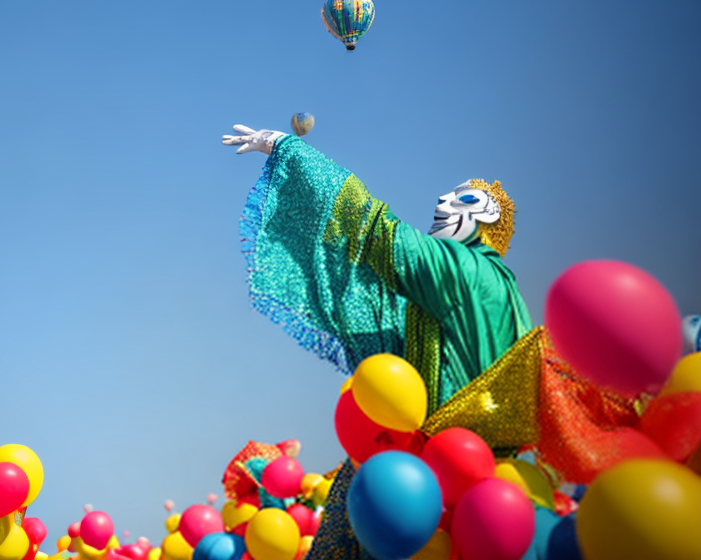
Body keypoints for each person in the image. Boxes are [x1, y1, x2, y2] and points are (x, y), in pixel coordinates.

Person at [222, 125, 533, 560]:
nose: (442, 203)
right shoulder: (512, 295)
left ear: (488, 222)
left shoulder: (460, 270)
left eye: (463, 200)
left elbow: (375, 229)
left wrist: (288, 149)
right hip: (503, 499)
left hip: (429, 492)